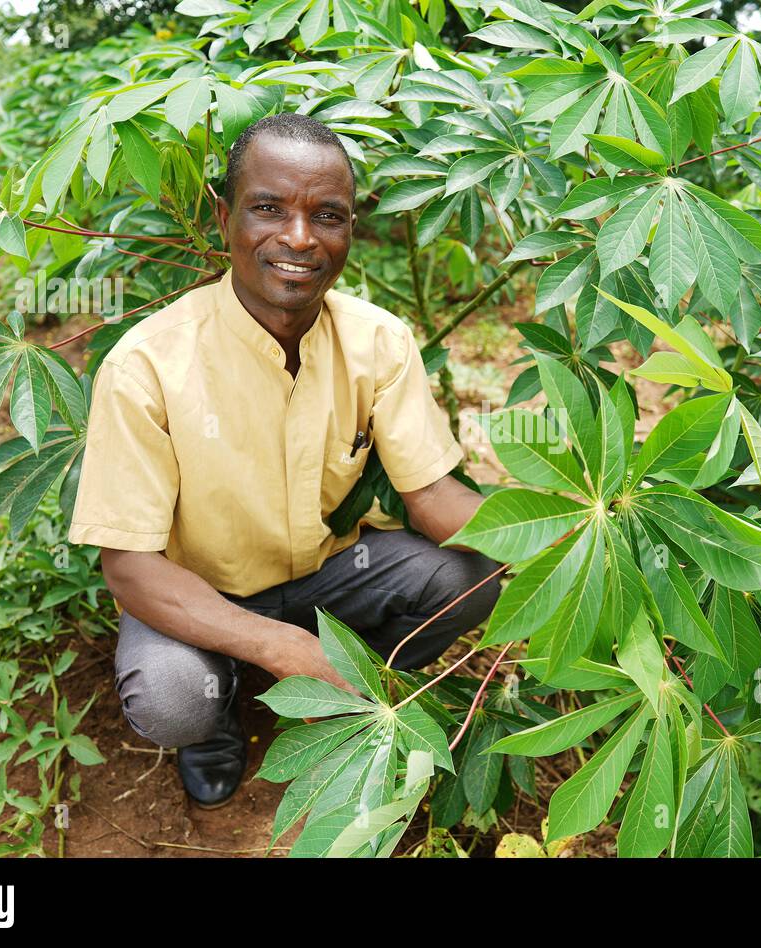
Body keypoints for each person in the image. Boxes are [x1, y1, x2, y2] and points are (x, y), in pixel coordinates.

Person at [66, 112, 501, 808]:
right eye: (269, 209)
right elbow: (129, 568)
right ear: (224, 217)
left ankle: (358, 691)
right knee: (175, 697)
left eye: (327, 215)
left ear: (350, 229)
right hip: (196, 587)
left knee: (472, 577)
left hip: (333, 572)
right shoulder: (147, 363)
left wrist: (557, 547)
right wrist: (275, 645)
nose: (299, 239)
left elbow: (435, 498)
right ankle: (221, 707)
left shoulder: (380, 342)